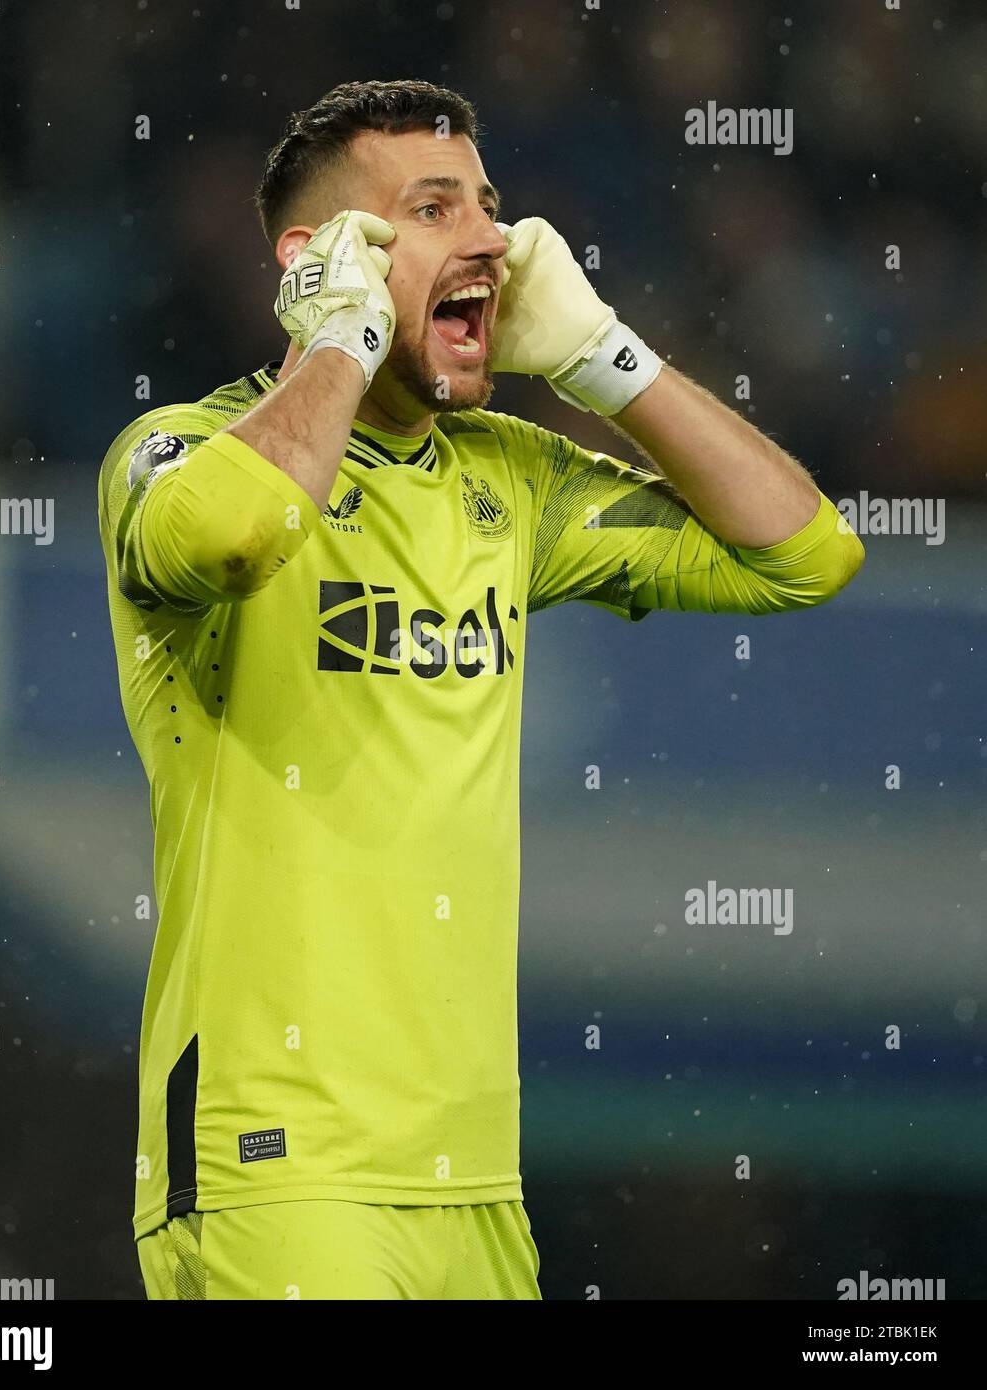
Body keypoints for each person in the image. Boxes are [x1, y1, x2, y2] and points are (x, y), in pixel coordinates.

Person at [97, 78, 864, 1301]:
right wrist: (342, 339)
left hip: (477, 1183)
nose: (495, 242)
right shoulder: (174, 451)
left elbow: (803, 554)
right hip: (278, 1166)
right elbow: (234, 537)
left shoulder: (512, 479)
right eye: (436, 208)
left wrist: (606, 361)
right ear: (321, 258)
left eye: (493, 207)